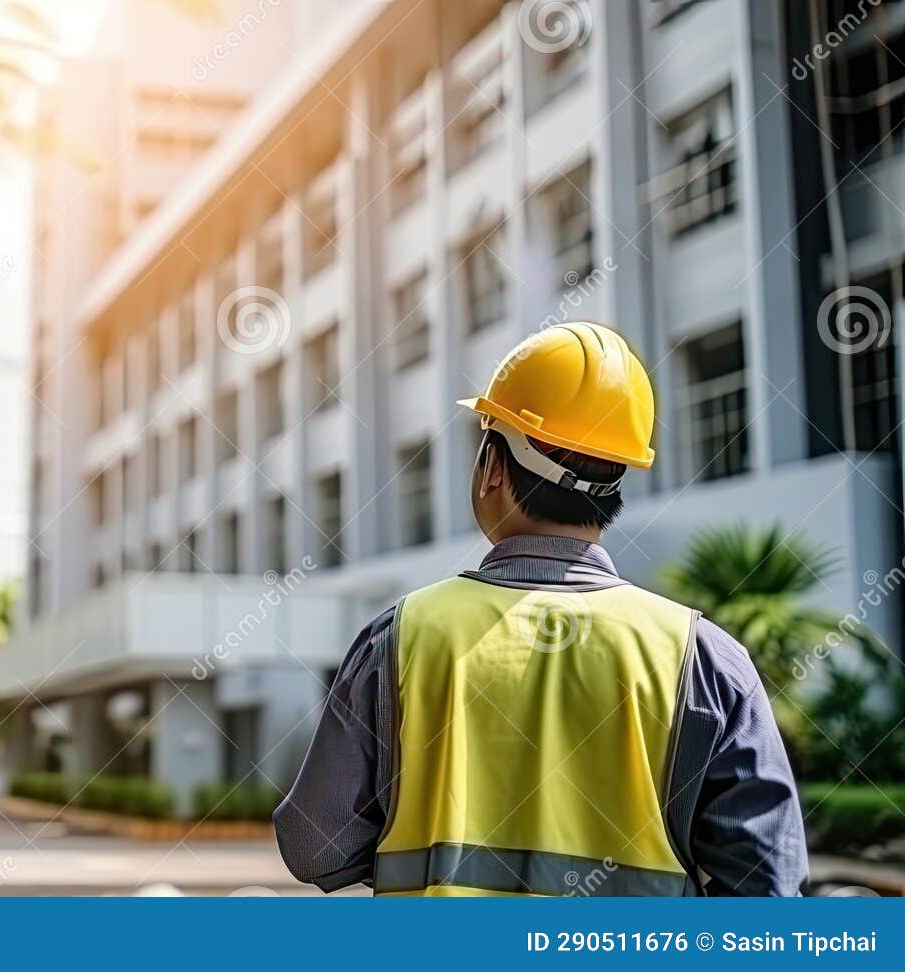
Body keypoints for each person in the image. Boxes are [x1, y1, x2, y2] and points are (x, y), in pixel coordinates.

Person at [273, 322, 806, 896]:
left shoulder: (401, 638)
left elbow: (314, 849)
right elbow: (766, 894)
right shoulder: (702, 658)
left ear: (494, 468)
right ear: (618, 475)